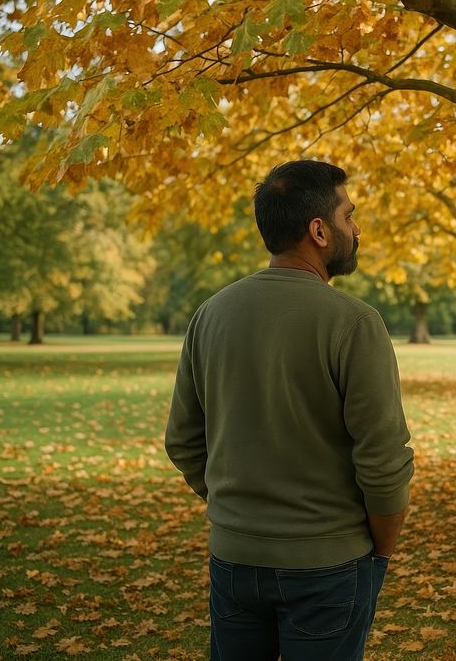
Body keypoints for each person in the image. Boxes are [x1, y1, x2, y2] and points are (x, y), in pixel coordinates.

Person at [164, 160, 414, 661]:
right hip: (329, 566)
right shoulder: (355, 322)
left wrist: (240, 514)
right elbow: (384, 460)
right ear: (319, 231)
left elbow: (183, 440)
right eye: (350, 215)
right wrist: (381, 551)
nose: (356, 228)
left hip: (233, 559)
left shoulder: (211, 314)